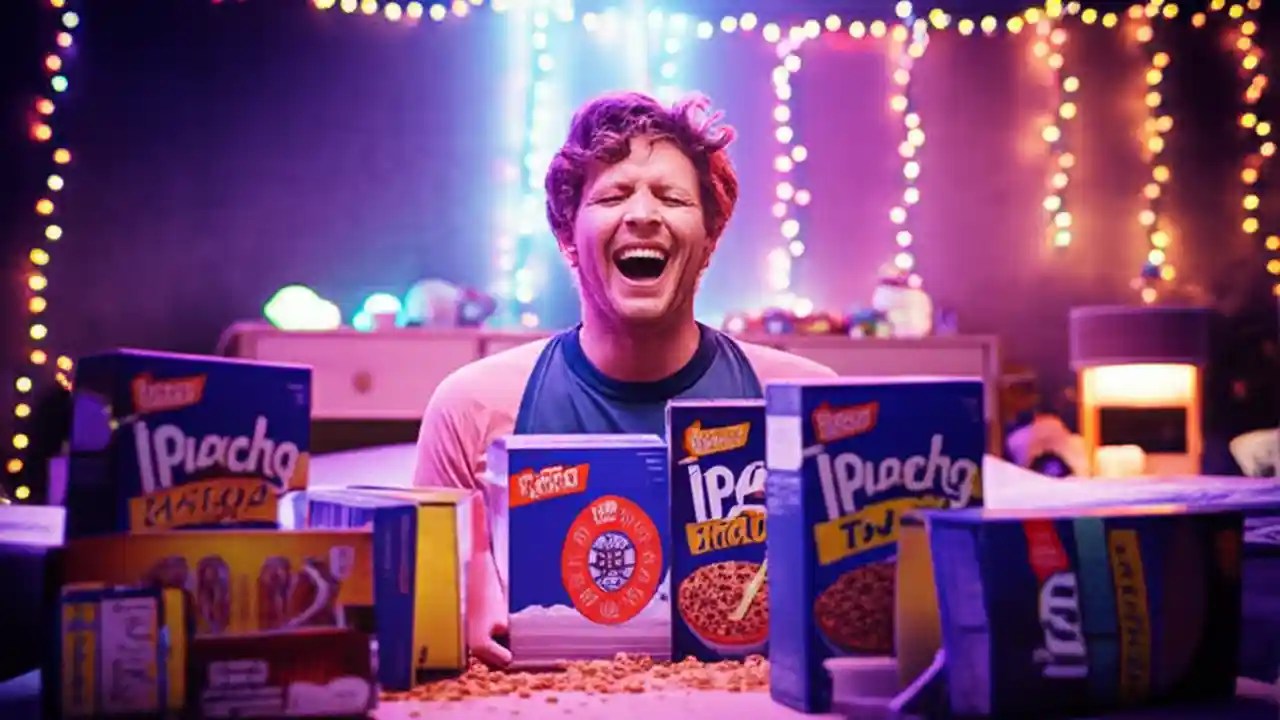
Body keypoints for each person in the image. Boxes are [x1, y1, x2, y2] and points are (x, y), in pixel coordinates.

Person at [412, 91, 835, 667]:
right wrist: (455, 603)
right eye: (613, 195)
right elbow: (421, 628)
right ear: (567, 237)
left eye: (671, 196)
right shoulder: (471, 406)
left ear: (709, 241)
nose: (642, 214)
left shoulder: (803, 402)